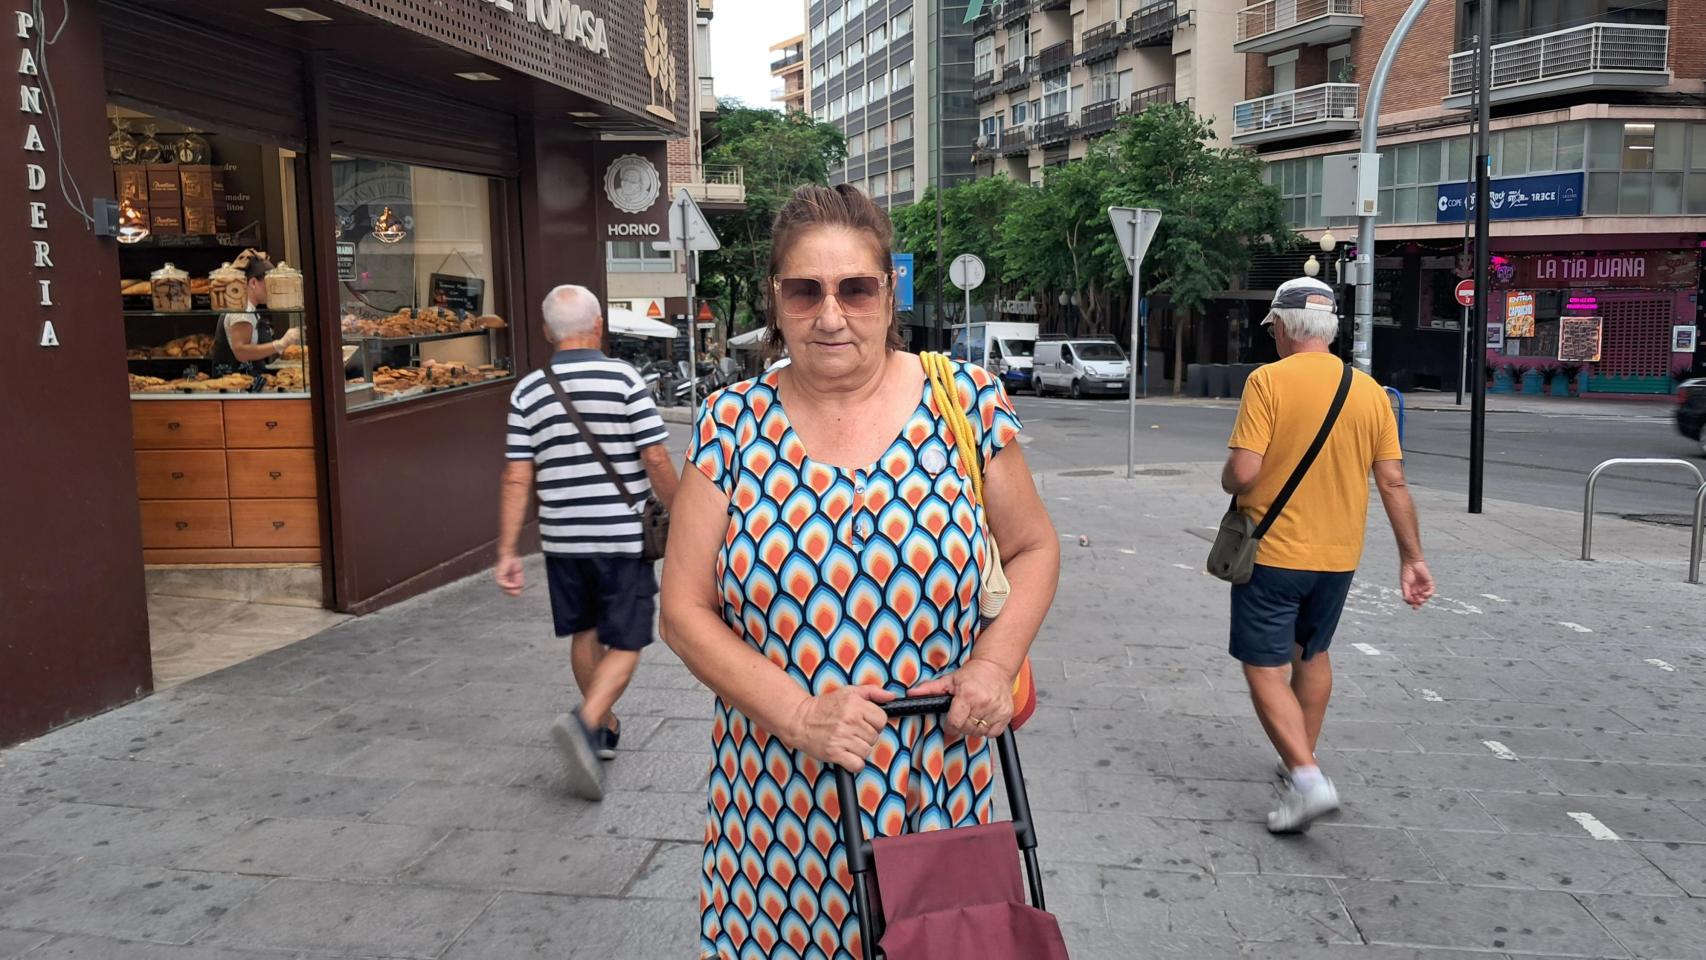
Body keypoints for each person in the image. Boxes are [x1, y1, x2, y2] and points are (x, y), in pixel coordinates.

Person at [661, 184, 1061, 960]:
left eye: (855, 288)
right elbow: (683, 609)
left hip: (939, 786)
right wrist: (802, 715)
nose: (831, 314)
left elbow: (1034, 548)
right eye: (805, 291)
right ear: (777, 299)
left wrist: (994, 664)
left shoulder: (967, 404)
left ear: (889, 292)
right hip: (779, 802)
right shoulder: (731, 426)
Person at [1221, 276, 1435, 833]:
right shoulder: (1370, 392)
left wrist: (1230, 478)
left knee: (1262, 665)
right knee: (1310, 654)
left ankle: (1308, 777)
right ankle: (1299, 767)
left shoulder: (1267, 382)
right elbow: (1393, 483)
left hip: (1274, 551)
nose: (1271, 338)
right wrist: (1412, 558)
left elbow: (1243, 471)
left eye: (1273, 328)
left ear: (1287, 327)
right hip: (1339, 557)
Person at [495, 284, 680, 801]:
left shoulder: (527, 391)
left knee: (586, 633)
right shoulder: (624, 379)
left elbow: (516, 476)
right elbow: (657, 459)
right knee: (626, 640)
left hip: (563, 543)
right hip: (620, 538)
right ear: (598, 326)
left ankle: (603, 725)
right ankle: (585, 720)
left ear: (547, 331)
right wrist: (686, 515)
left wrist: (508, 550)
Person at [211, 251, 299, 390]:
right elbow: (241, 351)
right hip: (235, 389)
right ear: (253, 283)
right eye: (269, 282)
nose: (272, 287)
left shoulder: (249, 309)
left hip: (247, 387)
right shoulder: (242, 311)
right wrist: (280, 344)